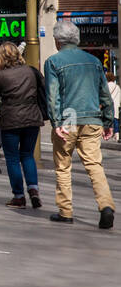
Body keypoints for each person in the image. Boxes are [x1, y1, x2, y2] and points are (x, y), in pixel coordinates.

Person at [44, 19, 115, 228]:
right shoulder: (93, 62)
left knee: (63, 166)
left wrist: (56, 121)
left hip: (67, 120)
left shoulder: (53, 62)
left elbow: (53, 95)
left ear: (57, 41)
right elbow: (105, 95)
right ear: (77, 39)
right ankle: (106, 206)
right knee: (94, 166)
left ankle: (65, 211)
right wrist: (108, 120)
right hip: (92, 119)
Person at [0, 41, 45, 209]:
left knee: (13, 159)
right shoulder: (31, 71)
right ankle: (34, 190)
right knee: (27, 155)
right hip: (32, 118)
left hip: (11, 120)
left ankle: (19, 196)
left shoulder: (1, 76)